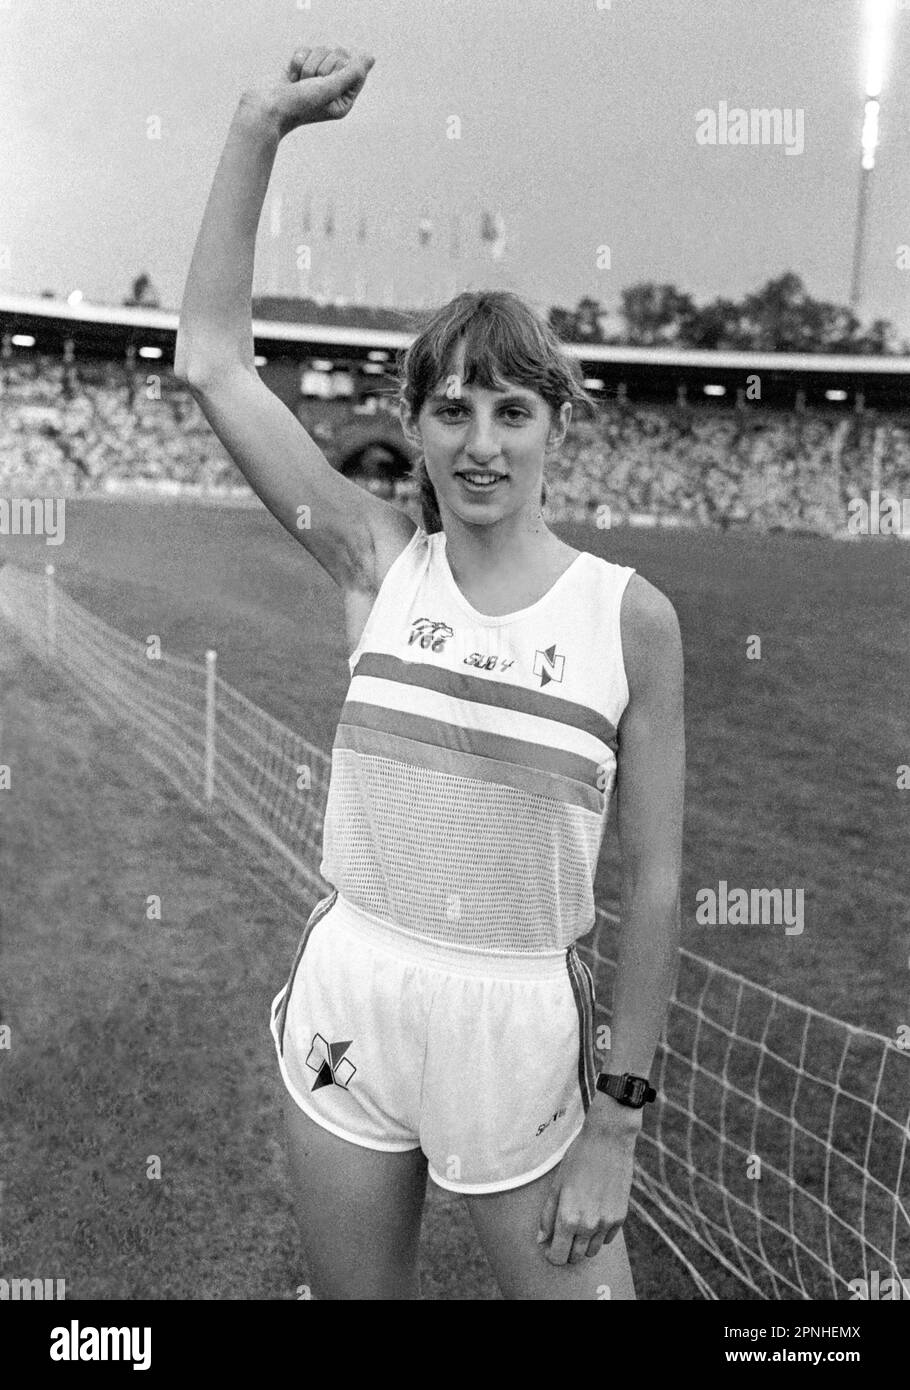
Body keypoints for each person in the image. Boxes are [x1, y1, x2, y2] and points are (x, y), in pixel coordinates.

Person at [175, 43, 685, 1301]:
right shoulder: (374, 562)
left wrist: (617, 1122)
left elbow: (655, 879)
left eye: (513, 411)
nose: (481, 442)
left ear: (557, 424)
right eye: (452, 410)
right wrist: (257, 125)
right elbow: (213, 362)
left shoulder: (630, 619)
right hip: (354, 994)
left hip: (519, 1025)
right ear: (413, 426)